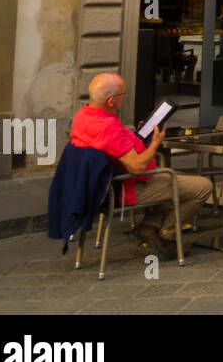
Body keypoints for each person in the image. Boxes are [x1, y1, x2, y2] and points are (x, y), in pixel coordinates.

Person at [68, 73, 213, 257]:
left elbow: (116, 147)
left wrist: (135, 137)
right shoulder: (108, 128)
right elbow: (136, 168)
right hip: (123, 187)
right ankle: (167, 233)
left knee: (180, 179)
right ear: (112, 100)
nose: (124, 98)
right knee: (202, 187)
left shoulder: (84, 115)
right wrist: (154, 143)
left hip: (100, 185)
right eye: (123, 94)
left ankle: (149, 228)